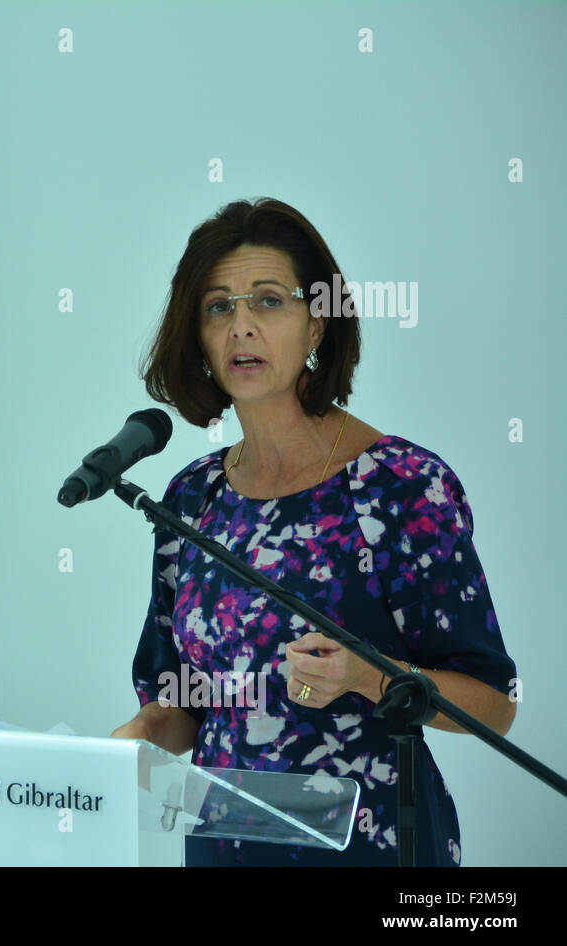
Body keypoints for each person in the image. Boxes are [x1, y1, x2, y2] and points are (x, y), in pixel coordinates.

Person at [111, 198, 517, 866]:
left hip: (373, 849)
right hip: (224, 847)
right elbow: (178, 703)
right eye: (217, 307)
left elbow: (493, 707)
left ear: (317, 322)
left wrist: (369, 676)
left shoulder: (400, 487)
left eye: (268, 301)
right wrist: (131, 742)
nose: (241, 326)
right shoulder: (192, 497)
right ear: (199, 337)